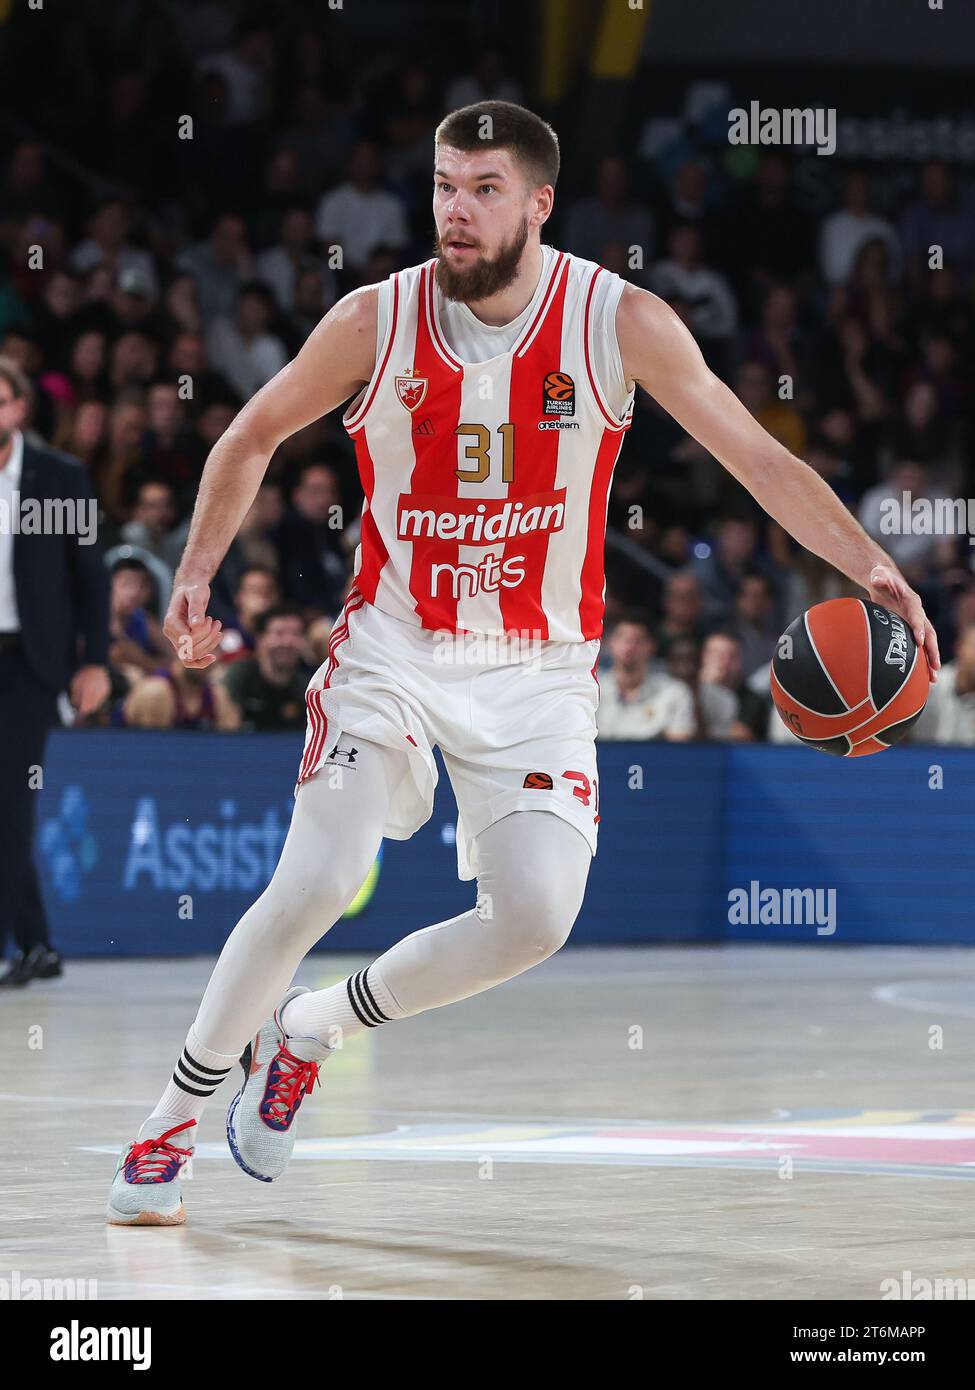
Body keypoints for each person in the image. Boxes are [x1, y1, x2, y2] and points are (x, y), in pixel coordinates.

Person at [105, 100, 941, 1225]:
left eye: (484, 188)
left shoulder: (619, 320)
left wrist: (871, 564)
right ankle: (170, 1116)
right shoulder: (374, 319)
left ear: (540, 202)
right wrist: (196, 573)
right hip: (394, 647)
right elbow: (249, 431)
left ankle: (311, 1028)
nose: (455, 209)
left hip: (539, 666)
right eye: (445, 185)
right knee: (313, 881)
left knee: (536, 916)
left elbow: (755, 458)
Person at [0, 358, 110, 987]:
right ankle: (36, 943)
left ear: (20, 409)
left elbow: (91, 579)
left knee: (12, 800)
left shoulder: (59, 478)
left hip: (28, 662)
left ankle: (18, 946)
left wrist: (94, 660)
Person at [221, 606, 309, 730]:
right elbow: (227, 731)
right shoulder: (239, 676)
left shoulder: (309, 687)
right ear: (261, 639)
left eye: (296, 634)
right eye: (279, 634)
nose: (288, 642)